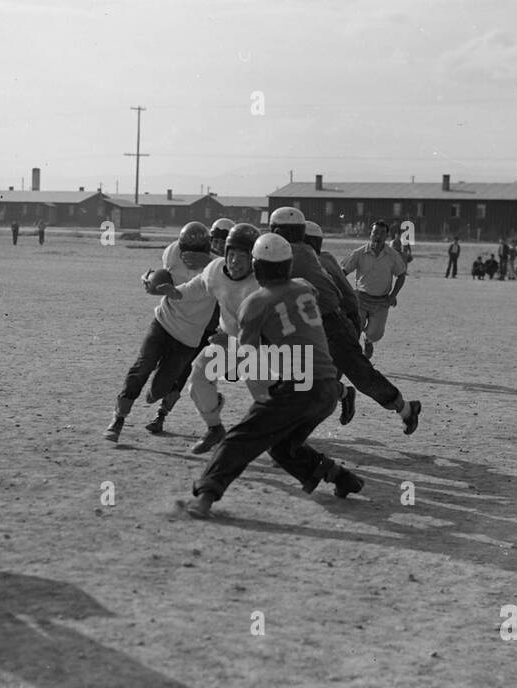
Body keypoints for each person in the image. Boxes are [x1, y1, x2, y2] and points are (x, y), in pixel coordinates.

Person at [184, 233, 365, 519]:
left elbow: (247, 354)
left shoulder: (255, 303)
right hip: (328, 386)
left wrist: (229, 356)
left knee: (239, 439)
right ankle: (343, 479)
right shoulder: (304, 287)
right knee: (282, 447)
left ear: (257, 266)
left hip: (299, 387)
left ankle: (205, 496)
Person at [276, 210, 419, 434]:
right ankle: (342, 395)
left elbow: (342, 296)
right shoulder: (317, 257)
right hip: (322, 325)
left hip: (336, 324)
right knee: (316, 378)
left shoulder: (305, 257)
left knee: (356, 374)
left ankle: (407, 409)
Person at [155, 223, 264, 454]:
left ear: (254, 259)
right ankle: (215, 429)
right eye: (231, 254)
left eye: (242, 256)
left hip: (261, 349)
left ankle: (283, 443)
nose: (234, 261)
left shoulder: (263, 285)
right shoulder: (215, 269)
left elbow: (270, 332)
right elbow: (196, 287)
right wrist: (175, 292)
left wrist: (235, 343)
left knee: (267, 399)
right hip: (227, 342)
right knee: (198, 381)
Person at [104, 222, 216, 442]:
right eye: (186, 251)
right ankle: (118, 419)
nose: (189, 256)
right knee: (142, 365)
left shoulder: (215, 268)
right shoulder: (173, 252)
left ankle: (161, 412)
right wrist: (151, 283)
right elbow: (163, 278)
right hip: (164, 321)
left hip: (190, 335)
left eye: (197, 252)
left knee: (165, 384)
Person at [342, 220, 409, 361]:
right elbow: (343, 272)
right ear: (370, 234)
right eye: (375, 232)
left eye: (382, 233)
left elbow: (401, 275)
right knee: (355, 329)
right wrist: (345, 292)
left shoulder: (392, 255)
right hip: (360, 298)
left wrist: (393, 295)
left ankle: (368, 341)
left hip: (381, 301)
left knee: (375, 334)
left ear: (387, 236)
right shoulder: (359, 253)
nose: (378, 235)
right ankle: (355, 358)